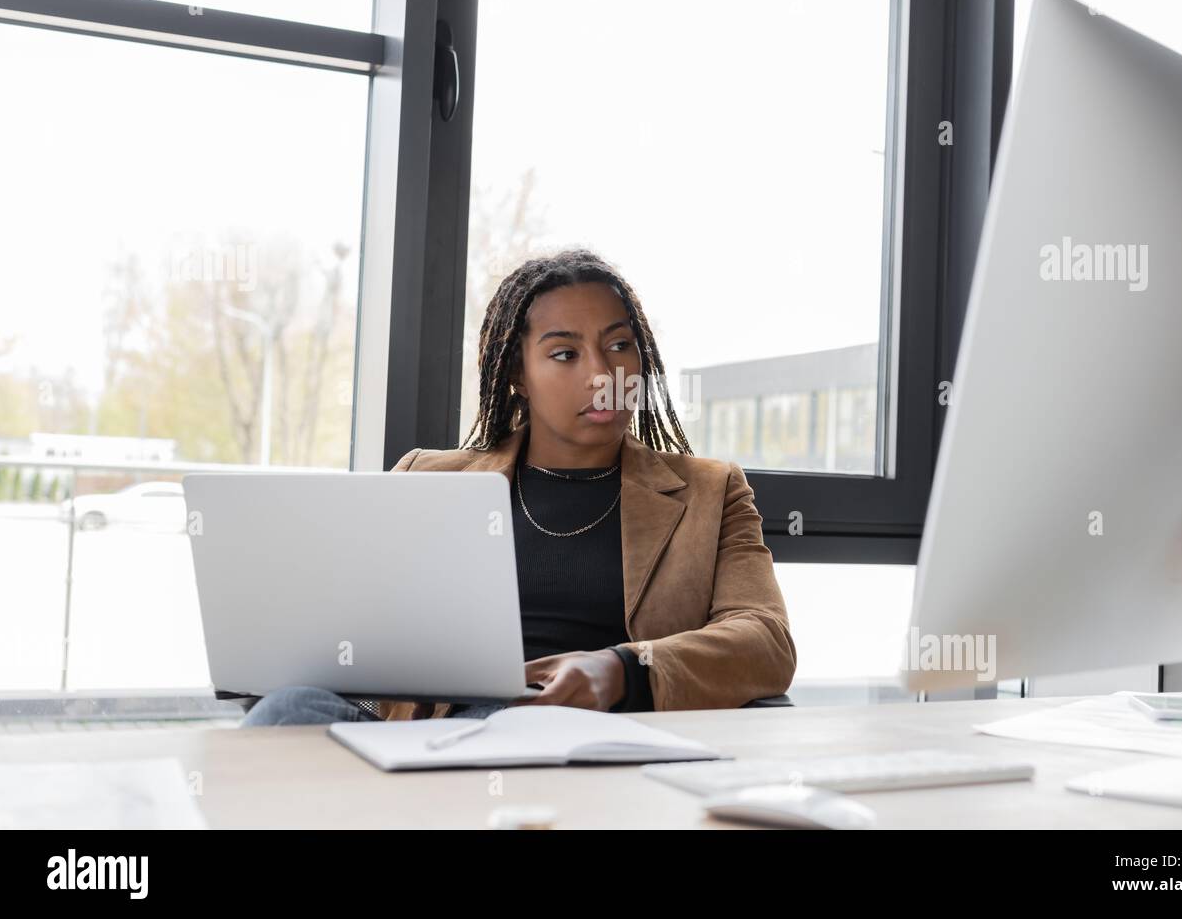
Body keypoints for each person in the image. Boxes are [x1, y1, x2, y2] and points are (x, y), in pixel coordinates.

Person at [243, 249, 795, 726]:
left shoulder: (709, 491)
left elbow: (763, 638)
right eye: (565, 354)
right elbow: (356, 631)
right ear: (516, 374)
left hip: (590, 734)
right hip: (440, 735)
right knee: (287, 709)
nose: (603, 374)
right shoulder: (426, 478)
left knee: (503, 721)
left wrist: (624, 668)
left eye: (620, 346)